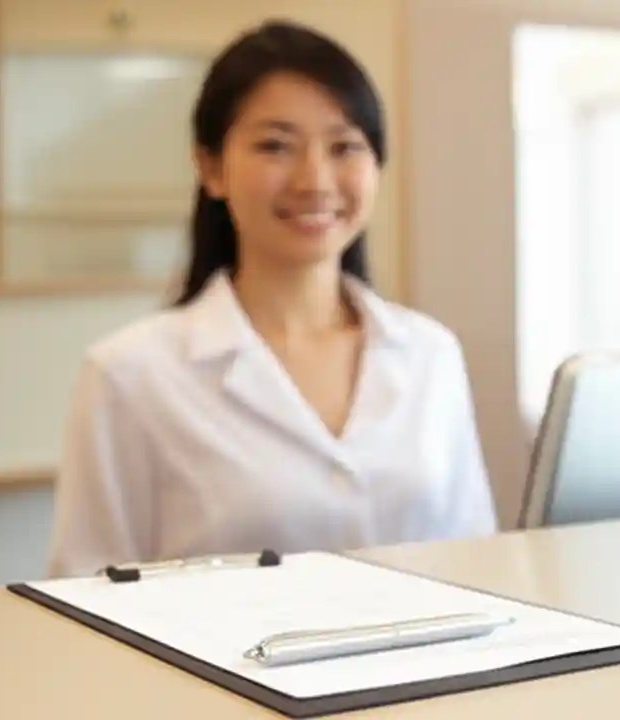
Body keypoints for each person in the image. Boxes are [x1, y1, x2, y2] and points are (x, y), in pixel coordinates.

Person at [47, 21, 497, 578]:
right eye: (275, 146)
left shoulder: (431, 353)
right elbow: (89, 597)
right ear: (211, 168)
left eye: (345, 147)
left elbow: (480, 565)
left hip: (435, 666)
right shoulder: (130, 374)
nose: (315, 179)